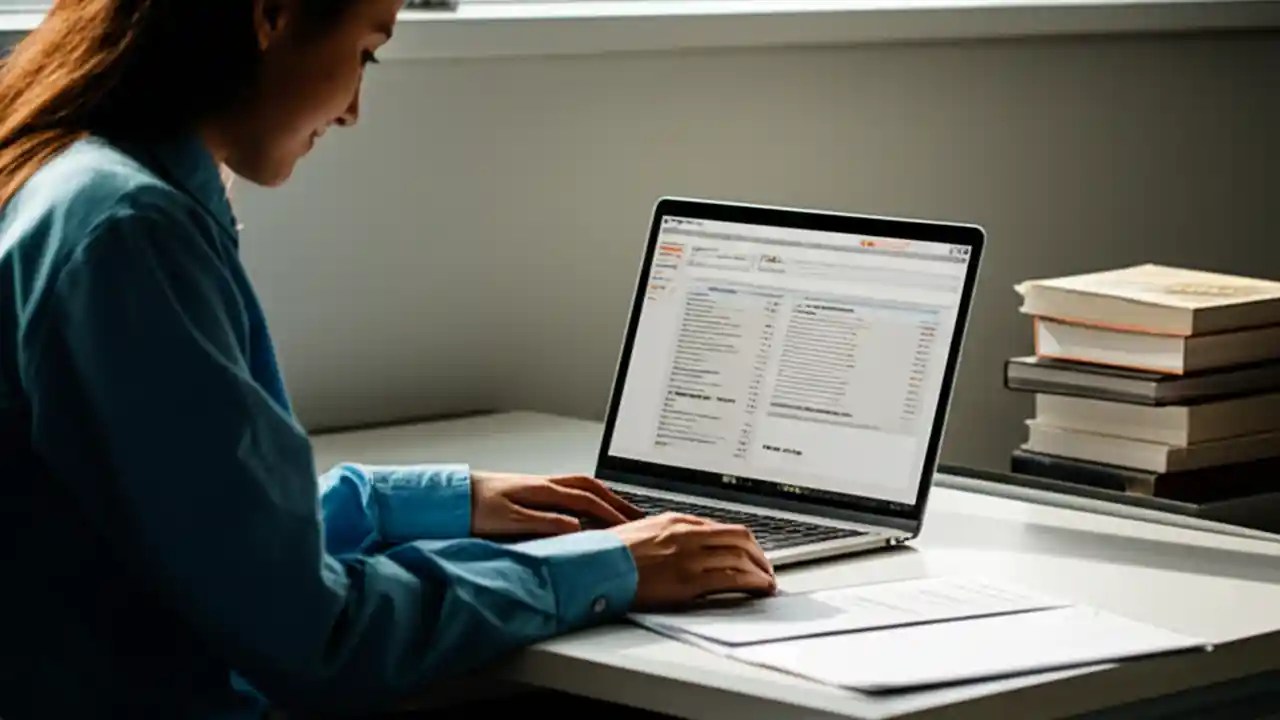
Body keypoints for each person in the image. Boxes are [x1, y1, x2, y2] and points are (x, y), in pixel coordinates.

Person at [0, 1, 777, 718]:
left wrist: (420, 501)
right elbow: (315, 632)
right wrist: (603, 568)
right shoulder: (131, 234)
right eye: (367, 52)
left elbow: (207, 539)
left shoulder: (76, 180)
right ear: (270, 14)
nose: (353, 111)